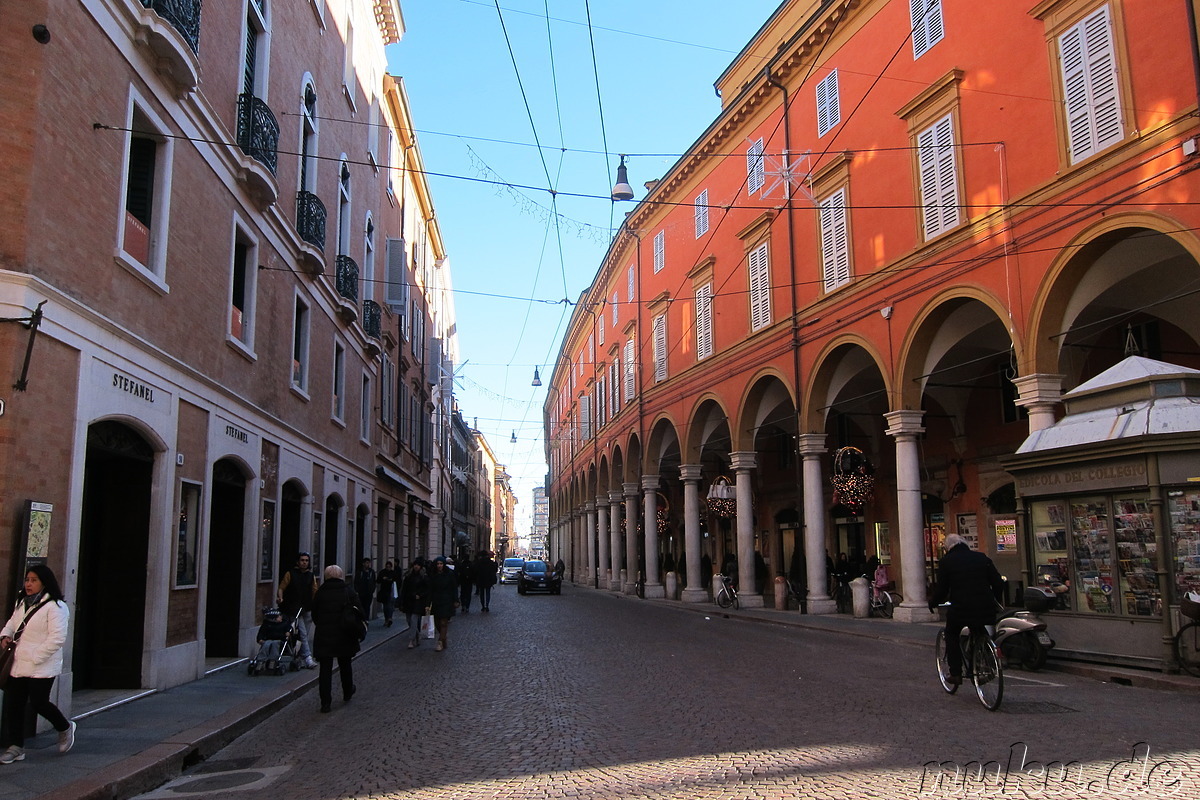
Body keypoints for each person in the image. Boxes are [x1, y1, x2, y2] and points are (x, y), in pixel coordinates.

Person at [0, 564, 76, 764]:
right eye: (27, 580)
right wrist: (5, 635)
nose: (29, 584)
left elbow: (57, 638)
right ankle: (16, 747)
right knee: (14, 705)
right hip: (19, 663)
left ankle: (65, 727)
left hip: (41, 664)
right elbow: (12, 623)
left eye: (34, 580)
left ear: (44, 582)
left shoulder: (56, 607)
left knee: (39, 702)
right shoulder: (22, 603)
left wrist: (36, 656)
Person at [928, 533, 1006, 685]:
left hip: (962, 608)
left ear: (947, 548)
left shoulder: (946, 562)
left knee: (951, 633)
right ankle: (987, 664)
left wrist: (933, 602)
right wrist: (995, 600)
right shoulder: (982, 558)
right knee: (980, 629)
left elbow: (942, 590)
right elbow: (998, 583)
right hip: (985, 607)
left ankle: (956, 673)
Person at [310, 565, 361, 713]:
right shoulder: (348, 591)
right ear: (341, 576)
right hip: (344, 634)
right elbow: (359, 611)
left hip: (324, 635)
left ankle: (325, 703)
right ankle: (347, 691)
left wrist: (322, 625)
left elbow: (314, 614)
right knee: (345, 664)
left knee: (325, 670)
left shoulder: (320, 592)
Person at [277, 552, 319, 669]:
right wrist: (280, 597)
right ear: (297, 562)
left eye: (306, 560)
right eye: (302, 560)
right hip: (294, 608)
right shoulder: (290, 574)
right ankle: (308, 658)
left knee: (302, 635)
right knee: (303, 634)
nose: (304, 562)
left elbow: (315, 591)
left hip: (307, 608)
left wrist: (316, 604)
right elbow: (281, 587)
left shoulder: (311, 576)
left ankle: (299, 657)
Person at [427, 556, 459, 652]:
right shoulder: (432, 575)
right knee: (437, 623)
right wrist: (428, 604)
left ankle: (440, 641)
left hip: (447, 601)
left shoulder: (449, 574)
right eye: (438, 564)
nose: (439, 566)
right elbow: (430, 590)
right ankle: (443, 637)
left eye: (441, 564)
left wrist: (455, 600)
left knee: (443, 622)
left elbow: (454, 588)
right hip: (436, 601)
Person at [398, 558, 429, 649]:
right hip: (408, 601)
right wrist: (401, 601)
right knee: (409, 620)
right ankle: (417, 635)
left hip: (418, 602)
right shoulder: (408, 576)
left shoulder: (424, 577)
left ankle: (411, 640)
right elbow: (404, 589)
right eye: (415, 565)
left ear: (421, 567)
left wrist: (421, 595)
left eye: (418, 565)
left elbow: (427, 589)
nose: (416, 566)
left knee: (413, 619)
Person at [375, 560, 397, 627]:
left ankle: (389, 618)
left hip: (391, 591)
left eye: (389, 567)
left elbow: (397, 580)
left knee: (390, 605)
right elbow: (378, 581)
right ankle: (386, 619)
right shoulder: (382, 572)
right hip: (384, 591)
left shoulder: (393, 573)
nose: (388, 568)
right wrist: (383, 579)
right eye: (387, 567)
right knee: (385, 606)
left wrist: (391, 580)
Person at [354, 558, 376, 623]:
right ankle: (362, 619)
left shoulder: (371, 572)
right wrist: (357, 590)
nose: (368, 564)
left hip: (369, 593)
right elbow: (356, 582)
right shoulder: (360, 572)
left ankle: (366, 619)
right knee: (361, 606)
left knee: (367, 606)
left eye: (369, 563)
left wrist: (372, 589)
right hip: (361, 593)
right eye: (366, 563)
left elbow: (374, 581)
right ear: (363, 564)